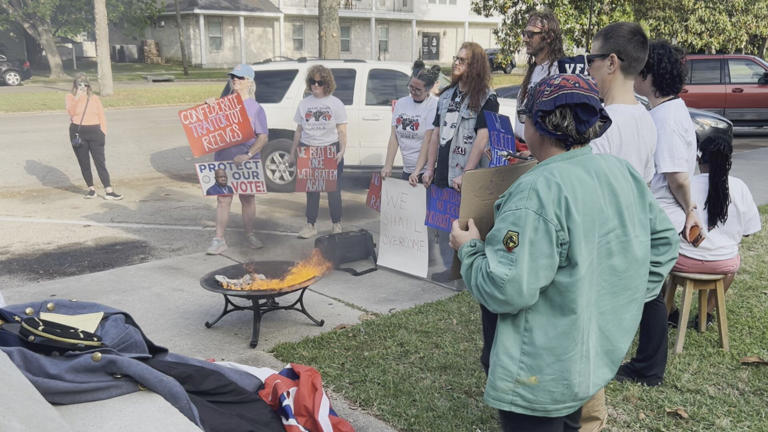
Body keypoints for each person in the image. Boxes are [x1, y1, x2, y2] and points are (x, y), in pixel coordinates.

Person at [449, 74, 679, 431]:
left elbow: (505, 289)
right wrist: (622, 295)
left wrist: (469, 250)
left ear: (538, 124)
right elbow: (664, 242)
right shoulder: (620, 172)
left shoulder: (536, 192)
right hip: (589, 361)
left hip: (539, 374)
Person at [617, 40, 703, 386]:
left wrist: (690, 210)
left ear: (649, 76)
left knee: (649, 295)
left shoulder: (664, 119)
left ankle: (648, 368)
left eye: (639, 69)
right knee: (649, 292)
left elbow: (677, 176)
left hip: (661, 217)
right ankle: (645, 362)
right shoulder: (673, 110)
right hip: (665, 216)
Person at [668, 134, 761, 326]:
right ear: (729, 161)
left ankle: (670, 311)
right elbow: (749, 231)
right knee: (732, 263)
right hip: (723, 265)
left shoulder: (687, 185)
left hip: (684, 261)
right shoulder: (740, 187)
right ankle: (706, 314)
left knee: (661, 259)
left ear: (699, 158)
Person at [206, 64, 268, 255]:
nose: (235, 80)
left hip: (247, 162)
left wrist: (248, 155)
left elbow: (263, 137)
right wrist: (208, 110)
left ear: (249, 82)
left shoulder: (256, 108)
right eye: (233, 77)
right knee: (223, 199)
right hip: (224, 160)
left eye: (240, 78)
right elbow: (207, 131)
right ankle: (219, 239)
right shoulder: (221, 104)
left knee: (248, 199)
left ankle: (249, 234)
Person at [588, 22, 656, 183]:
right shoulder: (647, 119)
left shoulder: (600, 125)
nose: (588, 69)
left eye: (590, 60)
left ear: (611, 63)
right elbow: (646, 185)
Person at [290, 65, 347, 239]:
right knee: (312, 191)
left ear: (326, 83)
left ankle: (336, 224)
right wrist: (293, 152)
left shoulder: (335, 103)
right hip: (308, 149)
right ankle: (310, 224)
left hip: (330, 149)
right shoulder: (304, 104)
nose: (315, 85)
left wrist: (342, 150)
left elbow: (342, 130)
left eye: (319, 82)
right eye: (312, 82)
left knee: (333, 191)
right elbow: (299, 131)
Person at [65, 73, 122, 200]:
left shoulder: (94, 98)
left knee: (100, 161)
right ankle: (91, 189)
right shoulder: (70, 97)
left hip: (95, 131)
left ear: (88, 85)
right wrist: (78, 97)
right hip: (78, 132)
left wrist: (103, 132)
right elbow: (71, 112)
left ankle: (108, 190)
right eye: (79, 84)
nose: (82, 87)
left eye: (85, 84)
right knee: (84, 162)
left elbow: (101, 115)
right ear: (75, 85)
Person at [380, 60, 440, 182]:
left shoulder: (433, 105)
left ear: (428, 90)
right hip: (407, 169)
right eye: (411, 87)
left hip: (424, 172)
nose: (413, 91)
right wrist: (388, 165)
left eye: (418, 89)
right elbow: (394, 137)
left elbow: (427, 141)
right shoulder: (401, 103)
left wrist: (416, 172)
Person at [513, 8, 564, 143]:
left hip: (539, 154)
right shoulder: (533, 69)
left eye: (531, 34)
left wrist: (532, 153)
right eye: (524, 33)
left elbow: (557, 125)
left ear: (549, 37)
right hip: (521, 149)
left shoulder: (558, 71)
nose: (525, 39)